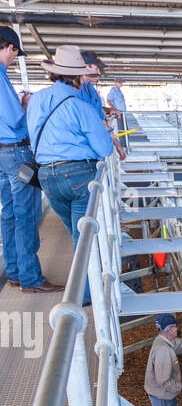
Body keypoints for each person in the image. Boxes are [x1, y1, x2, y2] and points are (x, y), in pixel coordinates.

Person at [27, 43, 115, 302]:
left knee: (77, 232)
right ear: (77, 77)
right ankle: (86, 296)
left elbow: (32, 135)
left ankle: (85, 285)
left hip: (46, 178)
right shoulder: (80, 105)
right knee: (83, 237)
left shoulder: (36, 100)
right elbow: (104, 147)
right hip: (78, 176)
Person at [0, 23, 52, 293]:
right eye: (13, 53)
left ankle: (16, 273)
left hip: (1, 153)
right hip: (16, 150)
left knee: (8, 215)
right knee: (25, 214)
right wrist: (32, 118)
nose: (12, 58)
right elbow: (13, 117)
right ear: (8, 47)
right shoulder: (0, 76)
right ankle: (31, 278)